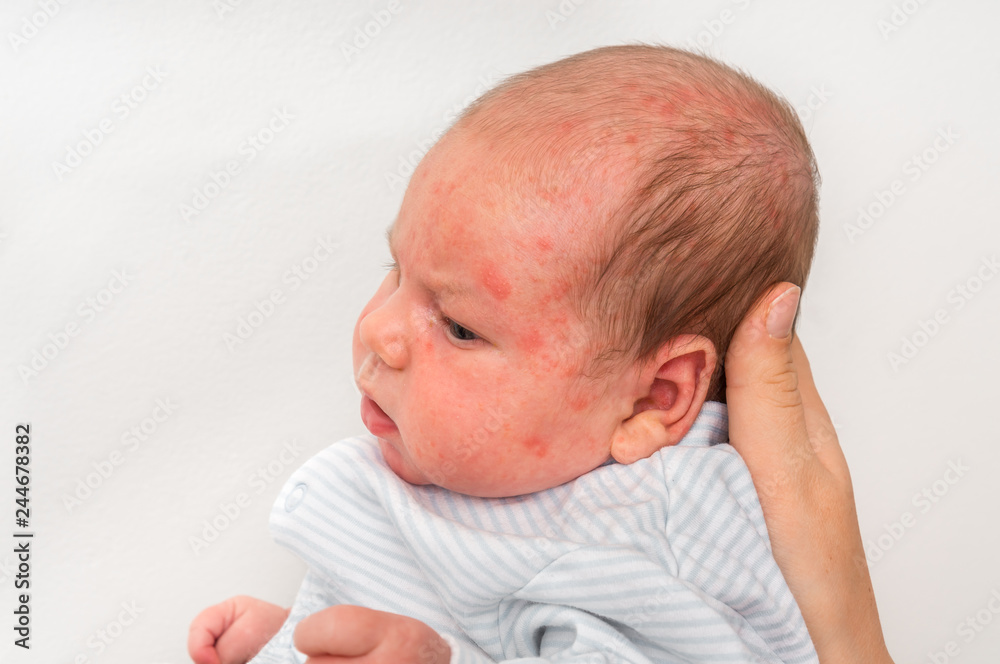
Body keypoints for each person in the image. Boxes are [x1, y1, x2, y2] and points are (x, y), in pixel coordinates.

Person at [188, 44, 894, 663]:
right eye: (397, 270)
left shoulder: (649, 528)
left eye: (460, 327)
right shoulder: (513, 468)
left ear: (654, 399)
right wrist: (294, 635)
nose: (379, 330)